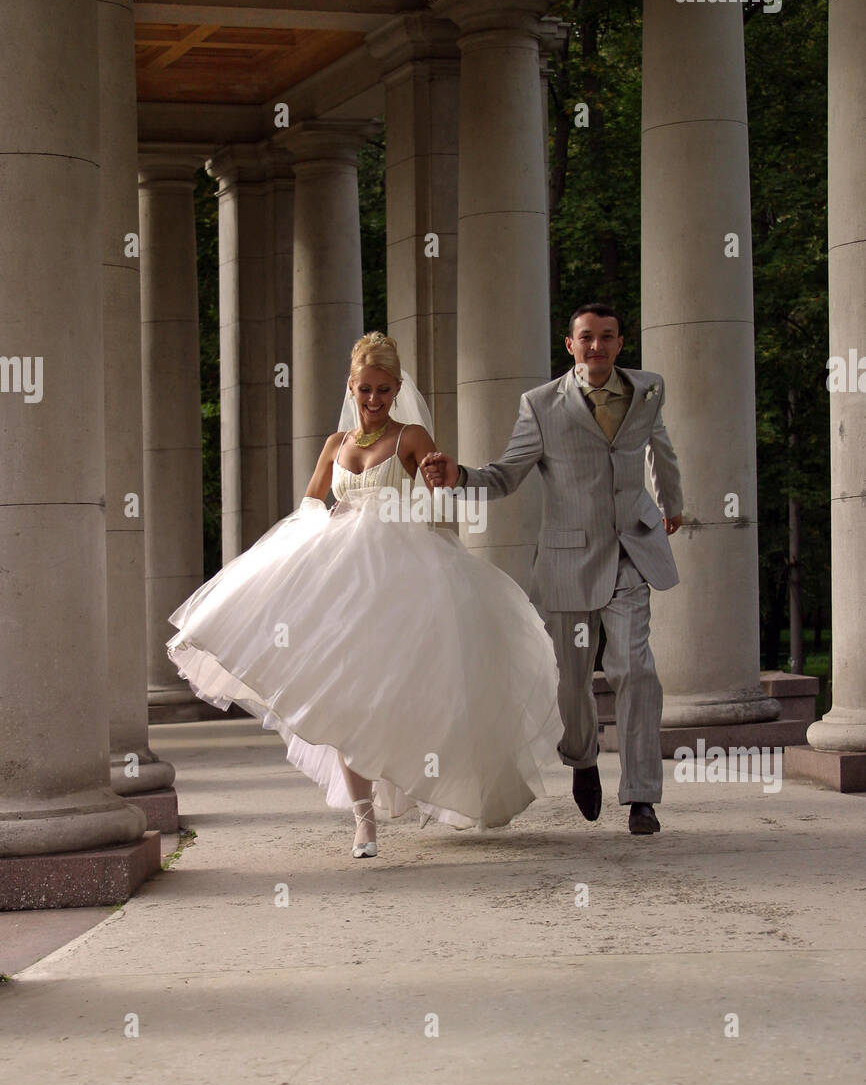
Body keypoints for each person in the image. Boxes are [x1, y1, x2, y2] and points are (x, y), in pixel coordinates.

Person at [166, 331, 563, 859]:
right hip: (341, 579)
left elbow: (441, 491)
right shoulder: (336, 445)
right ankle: (364, 821)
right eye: (364, 389)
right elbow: (310, 504)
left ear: (397, 388)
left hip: (401, 577)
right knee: (342, 693)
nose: (373, 399)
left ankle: (415, 778)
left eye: (383, 389)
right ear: (350, 387)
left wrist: (439, 478)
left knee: (399, 692)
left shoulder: (412, 436)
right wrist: (301, 553)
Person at [422, 304, 684, 836]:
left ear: (619, 342)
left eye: (606, 338)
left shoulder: (649, 389)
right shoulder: (541, 405)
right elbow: (506, 475)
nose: (597, 347)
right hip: (567, 561)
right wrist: (460, 476)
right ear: (570, 345)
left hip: (632, 549)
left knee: (637, 670)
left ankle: (641, 797)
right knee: (571, 681)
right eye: (586, 338)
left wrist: (671, 502)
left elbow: (660, 447)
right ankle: (582, 758)